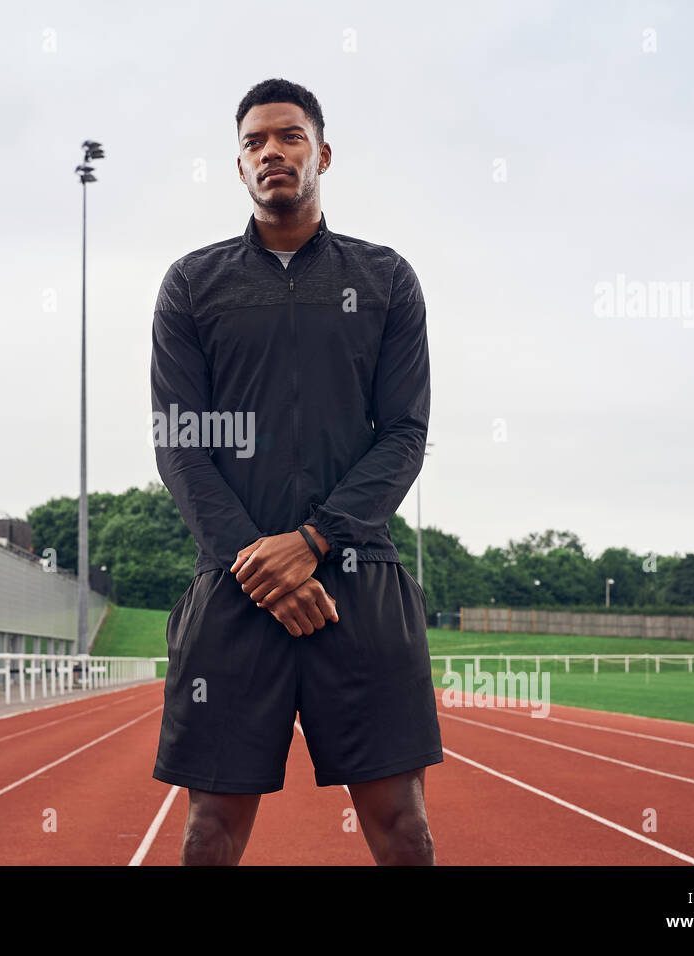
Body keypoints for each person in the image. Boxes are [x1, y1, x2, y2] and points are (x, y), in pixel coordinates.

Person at [149, 77, 442, 865]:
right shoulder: (191, 284)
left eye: (288, 136)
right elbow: (180, 443)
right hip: (235, 588)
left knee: (403, 826)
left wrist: (313, 540)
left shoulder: (385, 279)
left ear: (323, 153)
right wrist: (259, 563)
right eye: (253, 142)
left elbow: (406, 433)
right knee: (211, 829)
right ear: (239, 166)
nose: (271, 152)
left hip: (360, 583)